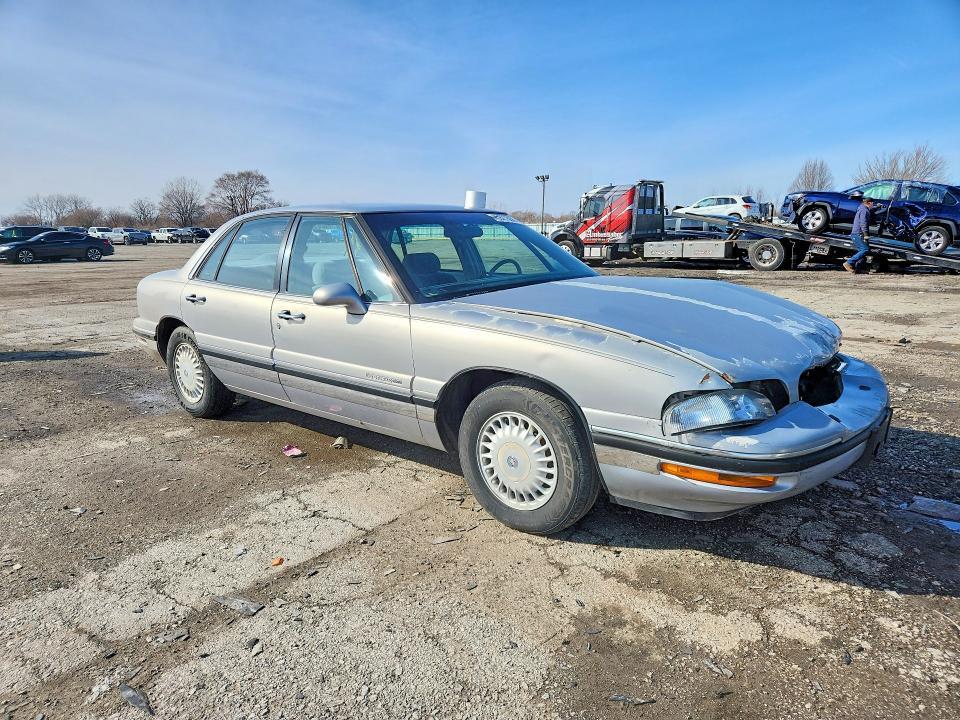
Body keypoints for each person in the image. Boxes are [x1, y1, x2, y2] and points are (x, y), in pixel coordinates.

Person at [845, 192, 873, 273]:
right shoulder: (864, 210)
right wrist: (866, 235)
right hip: (858, 234)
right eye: (872, 204)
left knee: (861, 251)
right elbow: (863, 223)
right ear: (869, 203)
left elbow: (870, 209)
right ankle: (848, 263)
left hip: (856, 233)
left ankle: (859, 269)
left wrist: (877, 207)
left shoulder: (862, 208)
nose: (872, 205)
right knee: (865, 249)